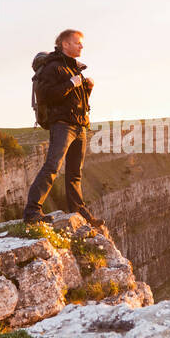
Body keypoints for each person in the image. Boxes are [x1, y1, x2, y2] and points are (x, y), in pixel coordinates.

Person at [23, 29, 105, 226]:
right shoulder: (54, 67)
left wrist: (87, 89)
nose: (81, 46)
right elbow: (45, 95)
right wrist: (70, 83)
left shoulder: (74, 69)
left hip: (79, 126)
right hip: (63, 125)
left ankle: (79, 211)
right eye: (77, 42)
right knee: (52, 166)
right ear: (65, 44)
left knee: (75, 172)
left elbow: (74, 100)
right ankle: (32, 211)